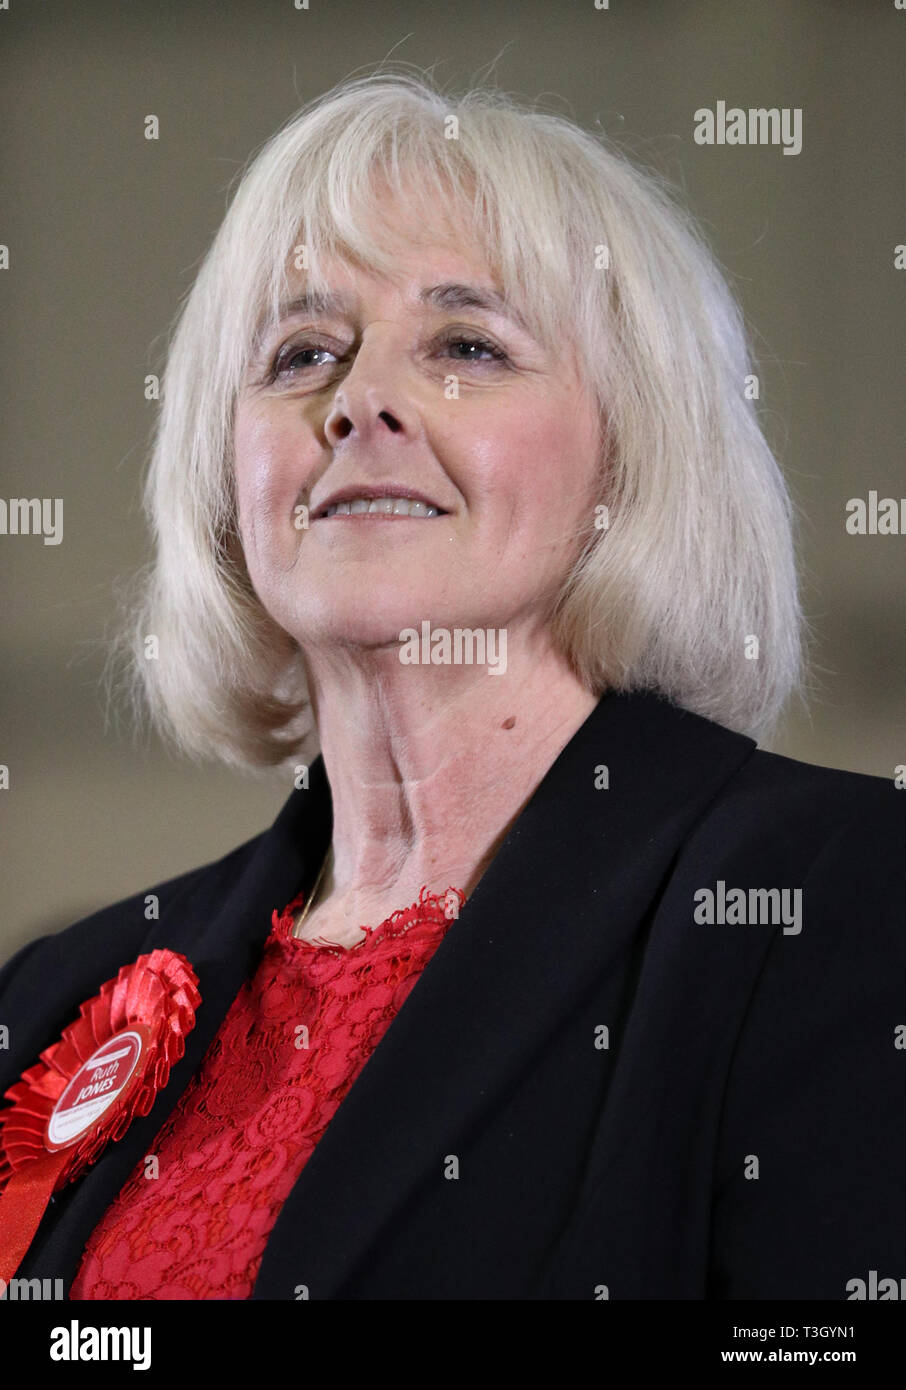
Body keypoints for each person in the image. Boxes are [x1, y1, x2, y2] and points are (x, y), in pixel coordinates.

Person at [1, 70, 903, 1302]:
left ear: (630, 464)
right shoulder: (59, 991)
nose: (359, 400)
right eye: (301, 351)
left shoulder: (826, 899)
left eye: (467, 346)